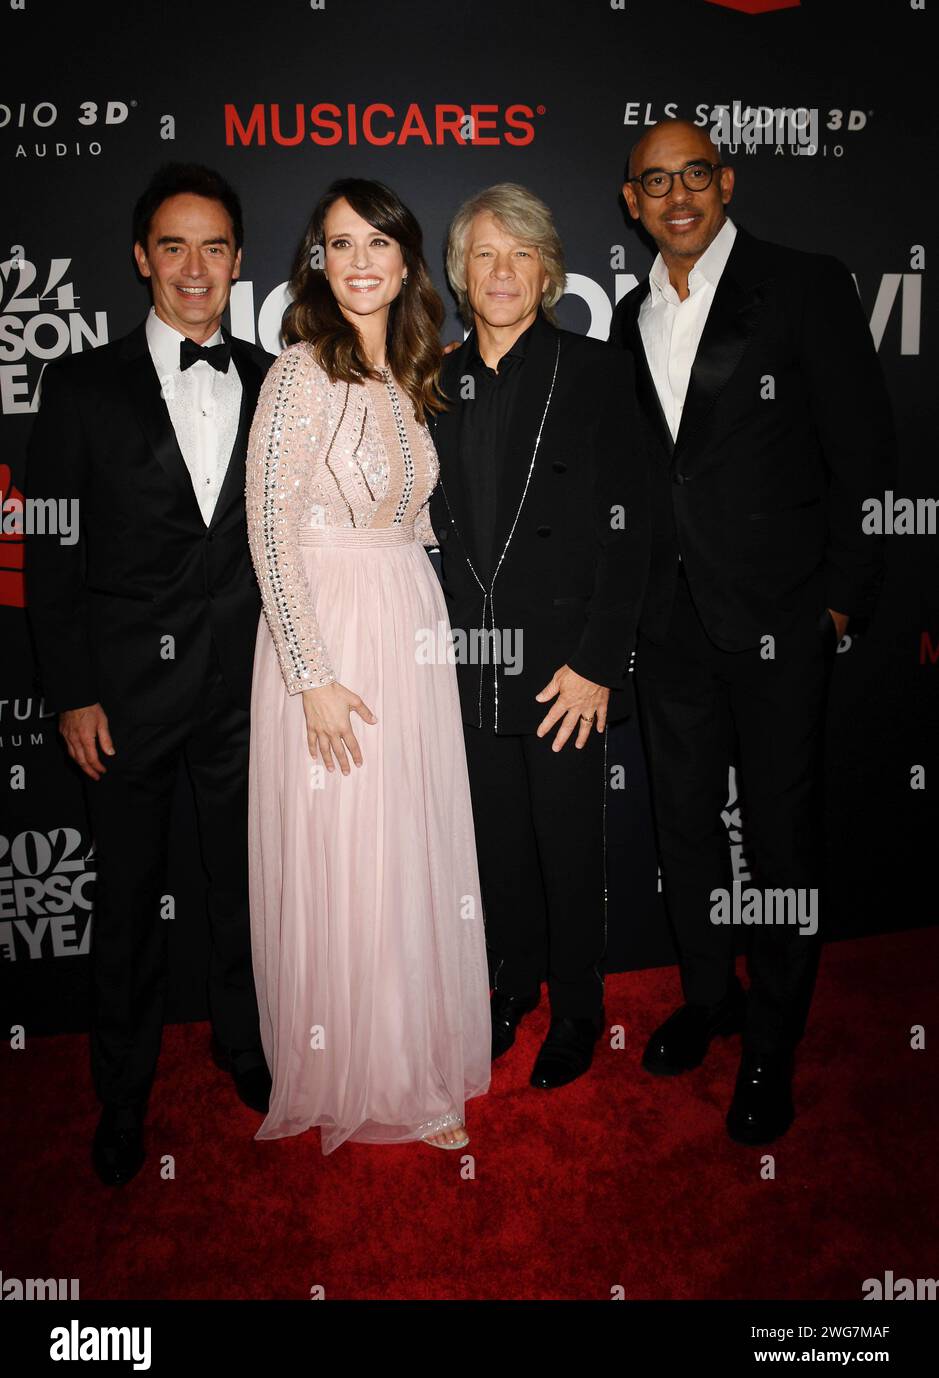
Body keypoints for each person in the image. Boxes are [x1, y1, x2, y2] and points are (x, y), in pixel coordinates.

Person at [610, 118, 895, 1143]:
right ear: (631, 202)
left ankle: (772, 1041)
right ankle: (708, 996)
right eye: (656, 181)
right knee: (682, 827)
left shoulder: (805, 282)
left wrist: (839, 600)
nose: (678, 195)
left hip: (782, 621)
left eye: (695, 174)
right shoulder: (628, 320)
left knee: (782, 844)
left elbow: (866, 453)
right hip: (671, 627)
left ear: (725, 182)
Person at [25, 162, 274, 1186]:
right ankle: (121, 1095)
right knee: (124, 905)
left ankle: (244, 1047)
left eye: (214, 246)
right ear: (140, 258)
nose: (194, 267)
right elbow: (51, 551)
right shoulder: (80, 384)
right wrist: (72, 690)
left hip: (247, 694)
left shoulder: (274, 377)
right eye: (173, 245)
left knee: (242, 893)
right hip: (123, 701)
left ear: (238, 261)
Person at [245, 178, 490, 1154]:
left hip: (406, 623)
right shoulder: (301, 373)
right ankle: (362, 1067)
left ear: (405, 261)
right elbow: (269, 528)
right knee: (348, 854)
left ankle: (413, 1055)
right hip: (332, 636)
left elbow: (414, 519)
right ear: (318, 260)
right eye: (338, 243)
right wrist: (312, 676)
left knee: (406, 848)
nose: (357, 261)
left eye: (376, 244)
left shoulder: (414, 374)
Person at [430, 184, 648, 1088]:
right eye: (485, 254)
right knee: (496, 852)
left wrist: (598, 662)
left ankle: (580, 1012)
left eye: (520, 254)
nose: (502, 272)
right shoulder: (434, 381)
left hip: (565, 670)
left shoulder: (594, 370)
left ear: (548, 270)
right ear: (459, 274)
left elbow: (635, 527)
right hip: (465, 667)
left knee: (568, 850)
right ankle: (511, 987)